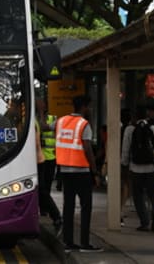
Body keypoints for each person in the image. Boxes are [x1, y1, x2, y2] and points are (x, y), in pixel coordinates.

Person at [55, 95, 103, 253]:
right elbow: (88, 149)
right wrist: (95, 171)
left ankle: (68, 242)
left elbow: (45, 126)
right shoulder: (84, 124)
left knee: (68, 207)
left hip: (65, 171)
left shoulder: (61, 122)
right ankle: (84, 243)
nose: (89, 109)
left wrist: (40, 112)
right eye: (88, 106)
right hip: (81, 171)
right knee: (85, 207)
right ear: (83, 107)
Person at [121, 103, 154, 232]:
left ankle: (145, 222)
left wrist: (125, 164)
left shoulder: (129, 130)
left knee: (138, 196)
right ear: (147, 116)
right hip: (152, 168)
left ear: (134, 116)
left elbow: (125, 150)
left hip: (136, 168)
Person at [36, 98, 62, 232]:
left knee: (45, 186)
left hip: (50, 157)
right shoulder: (32, 118)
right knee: (42, 187)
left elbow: (43, 127)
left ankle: (49, 211)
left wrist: (41, 113)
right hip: (40, 158)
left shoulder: (53, 118)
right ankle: (44, 210)